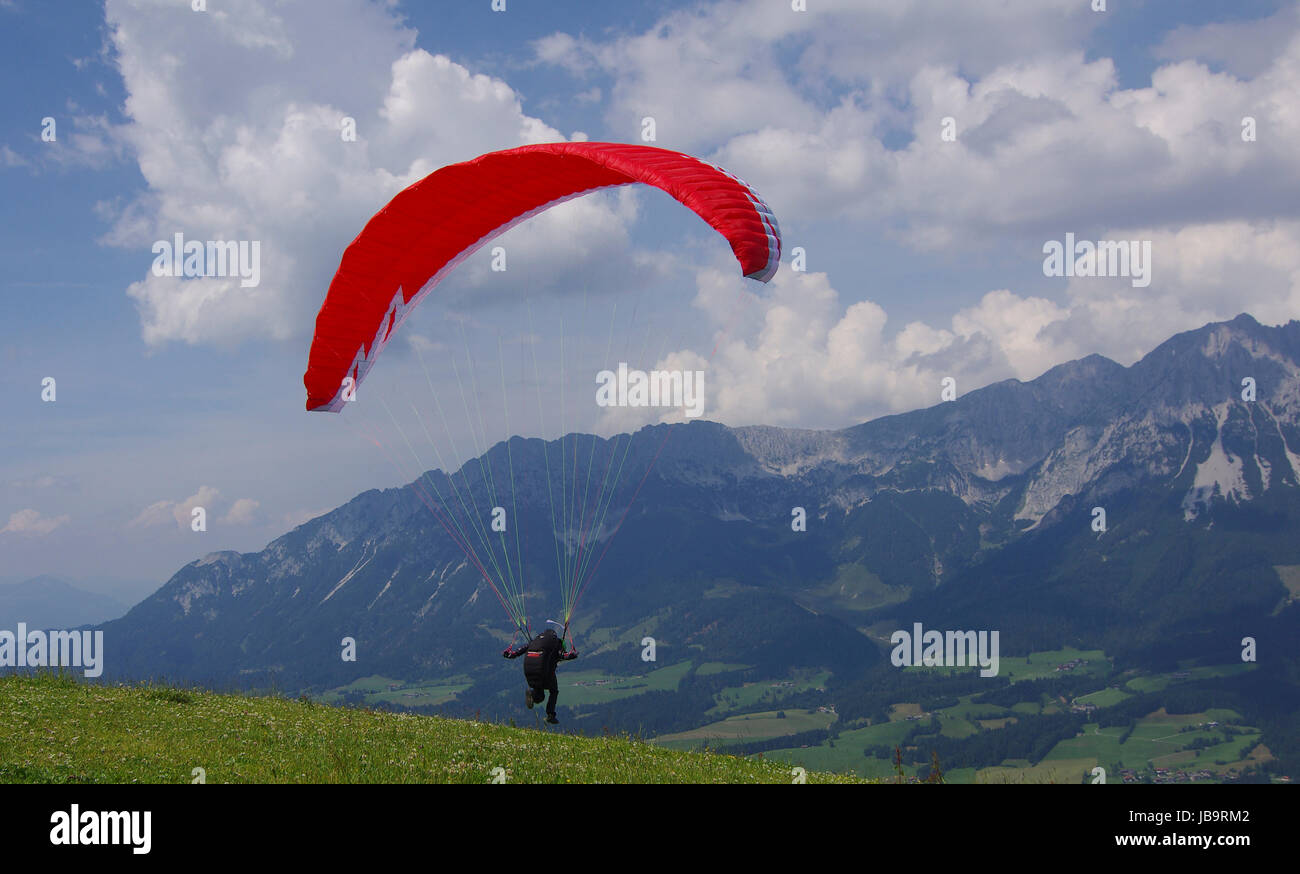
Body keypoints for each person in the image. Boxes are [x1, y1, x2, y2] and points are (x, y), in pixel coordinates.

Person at [503, 627, 577, 724]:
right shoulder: (555, 644)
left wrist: (511, 654)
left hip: (529, 673)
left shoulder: (534, 642)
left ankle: (532, 696)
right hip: (542, 673)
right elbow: (562, 655)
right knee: (553, 691)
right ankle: (550, 714)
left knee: (540, 695)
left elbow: (519, 651)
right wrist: (571, 655)